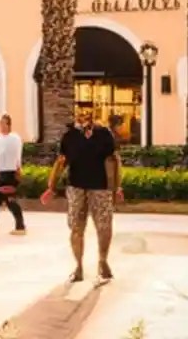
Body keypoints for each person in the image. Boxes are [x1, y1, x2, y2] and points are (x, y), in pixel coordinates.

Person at [42, 105, 123, 284]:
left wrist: (117, 187)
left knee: (104, 227)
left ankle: (103, 262)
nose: (84, 116)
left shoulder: (104, 134)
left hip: (100, 187)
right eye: (80, 113)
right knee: (76, 228)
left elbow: (114, 160)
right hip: (76, 187)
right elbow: (61, 161)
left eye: (88, 113)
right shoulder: (70, 136)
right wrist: (51, 186)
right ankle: (78, 267)